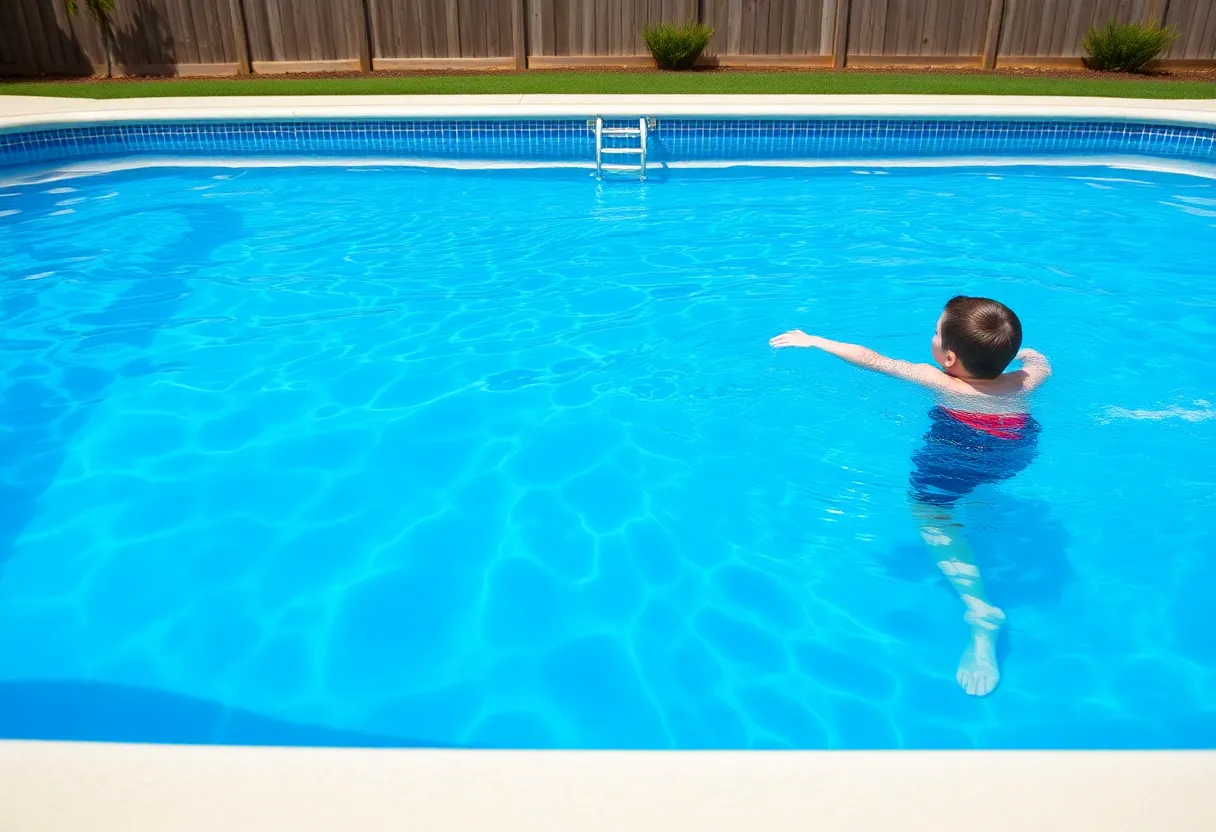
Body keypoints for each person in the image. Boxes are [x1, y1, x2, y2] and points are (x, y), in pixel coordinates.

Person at [770, 296, 1051, 697]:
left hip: (960, 450)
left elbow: (873, 360)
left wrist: (815, 340)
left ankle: (979, 609)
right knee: (975, 488)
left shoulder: (940, 380)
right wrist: (1032, 355)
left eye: (936, 333)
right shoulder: (1022, 381)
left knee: (928, 509)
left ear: (950, 358)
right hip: (1016, 447)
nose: (932, 336)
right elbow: (1041, 365)